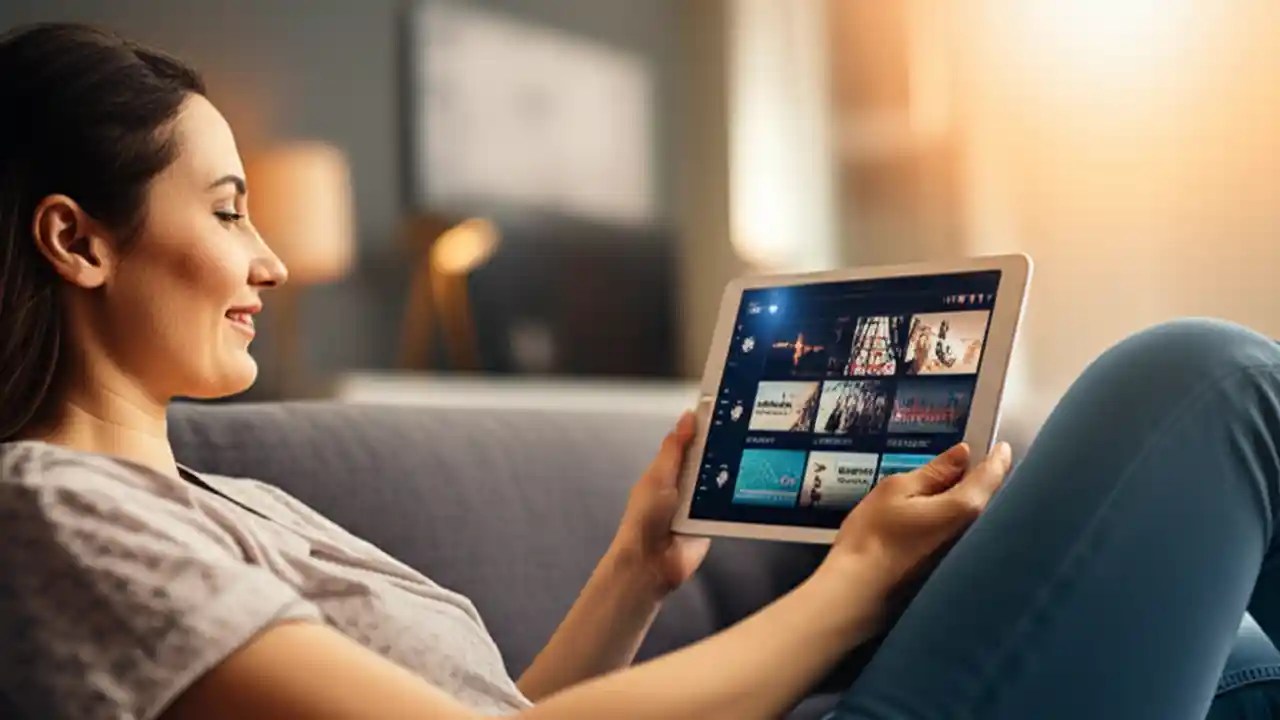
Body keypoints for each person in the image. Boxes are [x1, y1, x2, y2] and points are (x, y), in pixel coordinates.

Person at [0, 22, 1278, 720]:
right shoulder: (52, 514)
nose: (269, 259)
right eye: (228, 211)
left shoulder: (230, 503)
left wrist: (634, 570)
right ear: (76, 240)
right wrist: (855, 581)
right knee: (1201, 380)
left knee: (1229, 651)